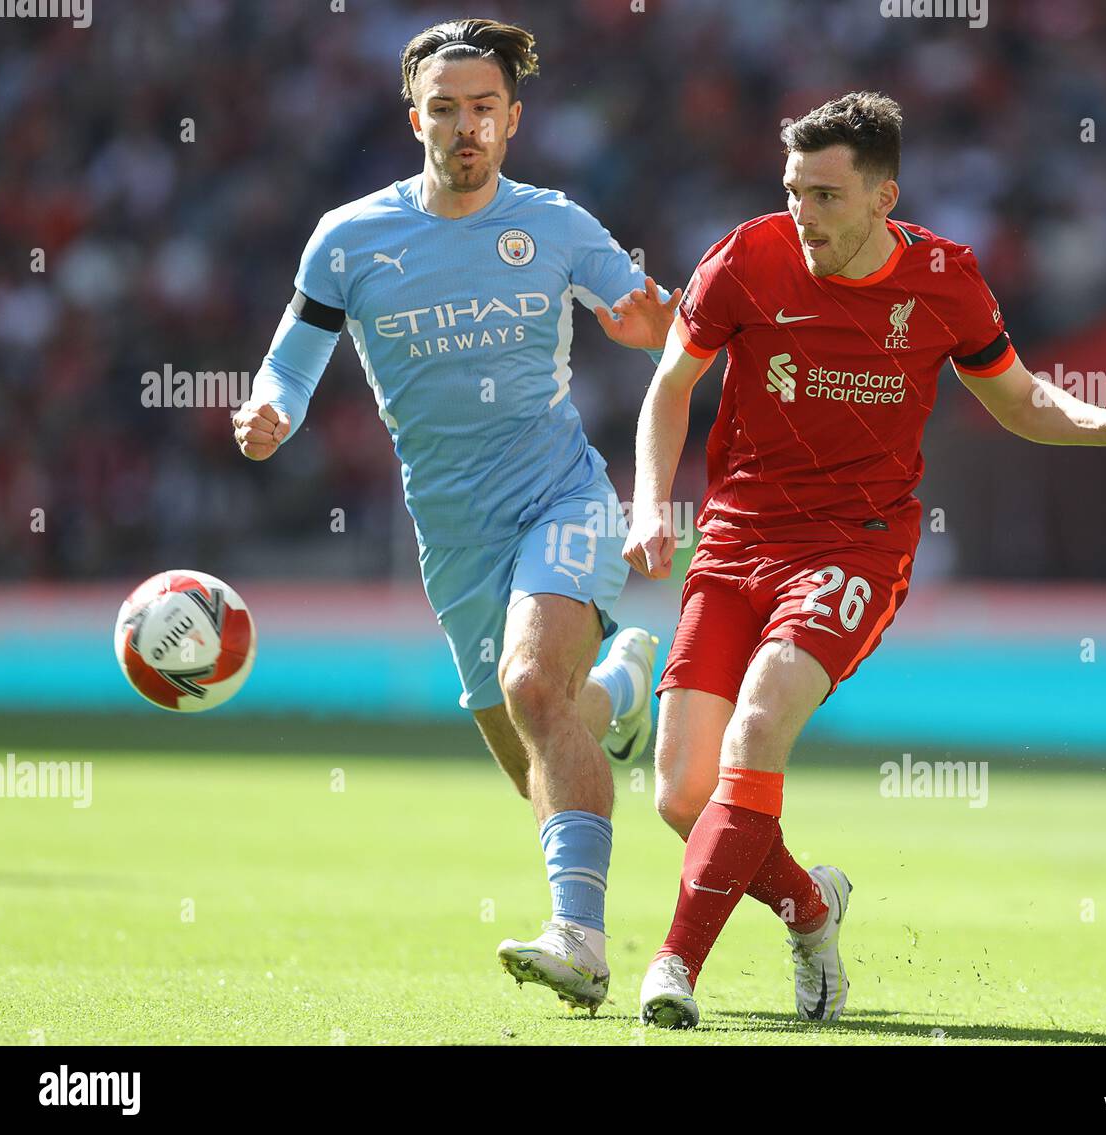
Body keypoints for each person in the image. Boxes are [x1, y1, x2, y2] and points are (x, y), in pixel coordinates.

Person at [624, 90, 1106, 1028]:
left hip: (856, 545)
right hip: (734, 542)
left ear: (886, 196)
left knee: (759, 723)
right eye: (796, 190)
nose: (804, 214)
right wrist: (649, 502)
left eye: (828, 196)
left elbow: (1019, 401)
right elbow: (669, 383)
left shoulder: (945, 281)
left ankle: (673, 965)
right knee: (683, 794)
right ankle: (812, 905)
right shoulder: (745, 260)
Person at [231, 18, 680, 1016]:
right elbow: (293, 360)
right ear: (415, 117)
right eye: (445, 108)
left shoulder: (556, 223)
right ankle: (619, 688)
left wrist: (659, 319)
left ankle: (582, 942)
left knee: (531, 682)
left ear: (512, 120)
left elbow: (656, 319)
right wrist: (272, 411)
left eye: (484, 108)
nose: (465, 126)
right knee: (536, 755)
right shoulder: (348, 237)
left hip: (559, 494)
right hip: (453, 534)